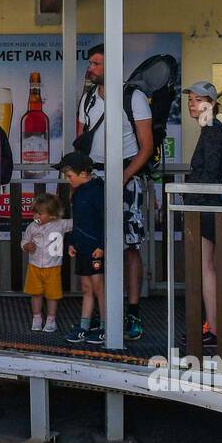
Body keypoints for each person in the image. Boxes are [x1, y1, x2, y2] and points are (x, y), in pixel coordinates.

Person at [75, 43, 151, 339]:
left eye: (96, 63)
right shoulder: (88, 99)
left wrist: (123, 177)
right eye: (90, 63)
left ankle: (132, 313)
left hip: (126, 175)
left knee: (130, 245)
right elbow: (80, 141)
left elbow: (146, 147)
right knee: (95, 243)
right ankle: (104, 313)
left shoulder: (134, 97)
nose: (90, 68)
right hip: (94, 177)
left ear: (111, 66)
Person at [183, 81, 222, 350]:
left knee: (207, 268)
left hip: (206, 206)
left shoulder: (212, 131)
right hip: (207, 205)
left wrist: (193, 203)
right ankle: (211, 326)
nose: (192, 103)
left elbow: (210, 173)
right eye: (190, 99)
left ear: (211, 103)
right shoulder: (212, 130)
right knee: (208, 267)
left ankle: (214, 328)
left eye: (198, 99)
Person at [55, 152, 106, 345]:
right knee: (86, 288)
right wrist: (72, 242)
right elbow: (78, 222)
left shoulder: (97, 191)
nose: (68, 180)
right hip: (83, 247)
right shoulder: (77, 193)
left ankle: (105, 324)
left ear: (84, 173)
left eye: (70, 176)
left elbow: (103, 220)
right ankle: (84, 325)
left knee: (99, 287)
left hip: (95, 249)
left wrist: (102, 245)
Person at [21, 193, 72, 333]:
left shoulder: (61, 224)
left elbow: (77, 223)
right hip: (34, 266)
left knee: (52, 295)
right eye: (34, 213)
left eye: (40, 213)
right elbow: (24, 241)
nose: (36, 216)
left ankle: (51, 320)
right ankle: (36, 318)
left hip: (53, 267)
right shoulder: (32, 227)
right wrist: (26, 246)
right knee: (35, 293)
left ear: (52, 214)